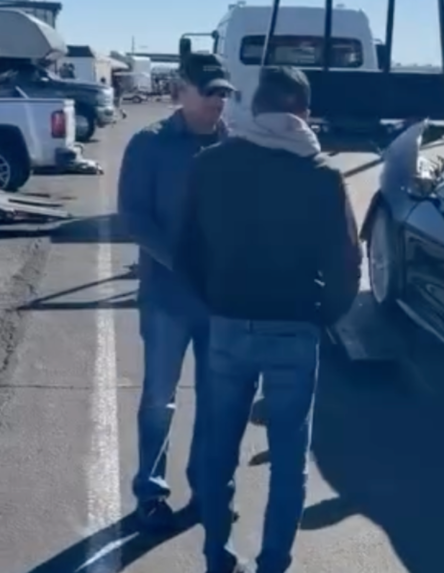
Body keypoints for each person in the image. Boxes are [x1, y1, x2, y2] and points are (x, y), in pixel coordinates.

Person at [174, 66, 362, 573]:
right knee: (288, 462)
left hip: (228, 325)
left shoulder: (210, 164)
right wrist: (323, 315)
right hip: (295, 328)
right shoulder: (320, 174)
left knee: (219, 450)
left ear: (254, 110)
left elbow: (184, 249)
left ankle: (218, 557)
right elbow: (347, 262)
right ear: (301, 111)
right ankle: (273, 563)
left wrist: (214, 300)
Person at [117, 52, 235, 533]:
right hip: (167, 299)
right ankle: (150, 491)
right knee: (160, 400)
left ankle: (206, 489)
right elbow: (134, 217)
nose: (216, 102)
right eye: (208, 92)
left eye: (223, 93)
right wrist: (181, 262)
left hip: (220, 302)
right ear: (180, 91)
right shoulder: (149, 145)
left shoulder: (234, 147)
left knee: (216, 400)